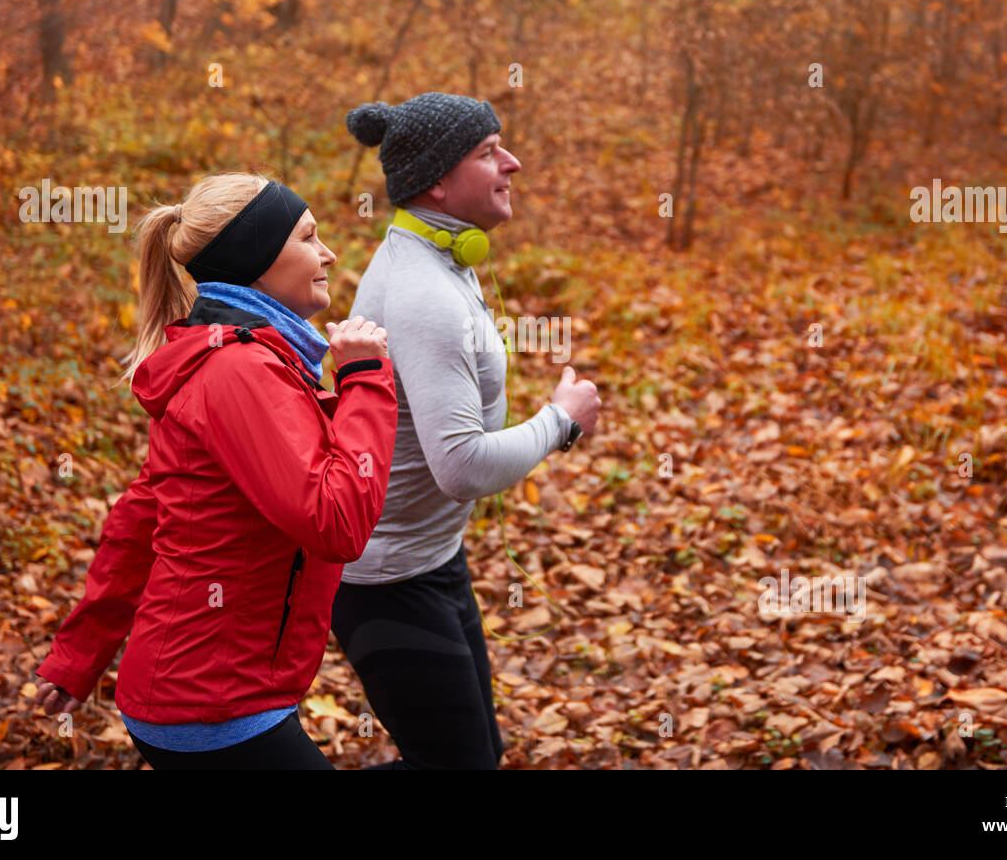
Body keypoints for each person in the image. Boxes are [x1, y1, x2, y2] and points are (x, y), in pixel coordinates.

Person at [33, 172, 399, 769]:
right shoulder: (239, 371)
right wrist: (362, 378)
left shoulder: (250, 358)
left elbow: (139, 527)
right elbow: (338, 523)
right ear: (258, 258)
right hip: (212, 702)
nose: (328, 253)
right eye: (309, 237)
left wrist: (80, 656)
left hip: (211, 691)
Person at [337, 93, 602, 769]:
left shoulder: (440, 257)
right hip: (386, 579)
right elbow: (460, 468)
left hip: (430, 561)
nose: (511, 163)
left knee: (475, 755)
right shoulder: (425, 293)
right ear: (436, 181)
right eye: (488, 153)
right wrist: (560, 422)